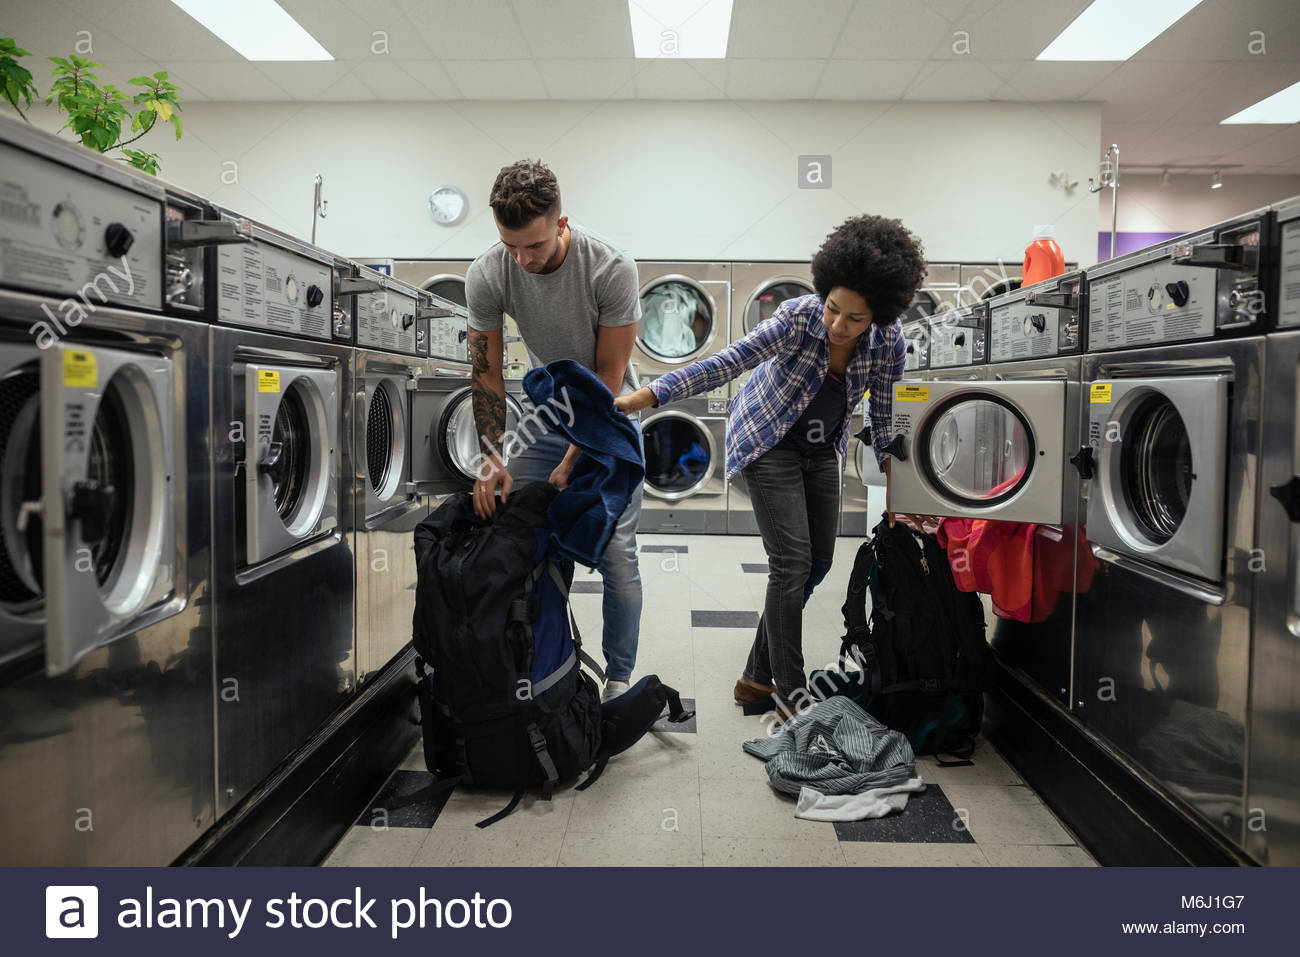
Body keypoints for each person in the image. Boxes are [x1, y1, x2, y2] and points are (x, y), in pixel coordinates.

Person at [614, 215, 925, 722]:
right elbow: (726, 363)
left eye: (855, 319)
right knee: (791, 565)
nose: (838, 325)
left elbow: (886, 416)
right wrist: (647, 396)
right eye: (833, 309)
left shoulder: (889, 344)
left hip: (823, 450)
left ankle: (755, 678)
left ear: (879, 315)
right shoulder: (797, 318)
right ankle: (791, 695)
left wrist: (900, 495)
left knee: (818, 563)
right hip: (767, 441)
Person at [465, 159, 643, 702]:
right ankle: (541, 655)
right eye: (511, 246)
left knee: (615, 550)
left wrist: (571, 463)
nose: (523, 259)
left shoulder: (611, 267)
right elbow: (486, 373)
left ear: (562, 224)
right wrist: (492, 459)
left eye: (535, 246)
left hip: (610, 415)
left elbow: (607, 381)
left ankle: (618, 678)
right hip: (545, 413)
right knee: (519, 523)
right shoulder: (488, 272)